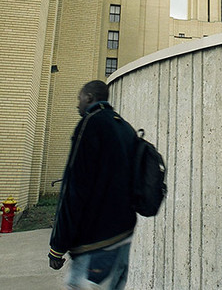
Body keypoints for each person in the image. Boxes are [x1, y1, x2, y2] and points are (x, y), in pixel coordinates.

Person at [48, 80, 137, 289]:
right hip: (123, 237)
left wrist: (57, 247)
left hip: (96, 243)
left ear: (89, 97)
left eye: (79, 98)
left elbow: (74, 189)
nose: (76, 104)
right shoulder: (124, 126)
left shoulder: (90, 124)